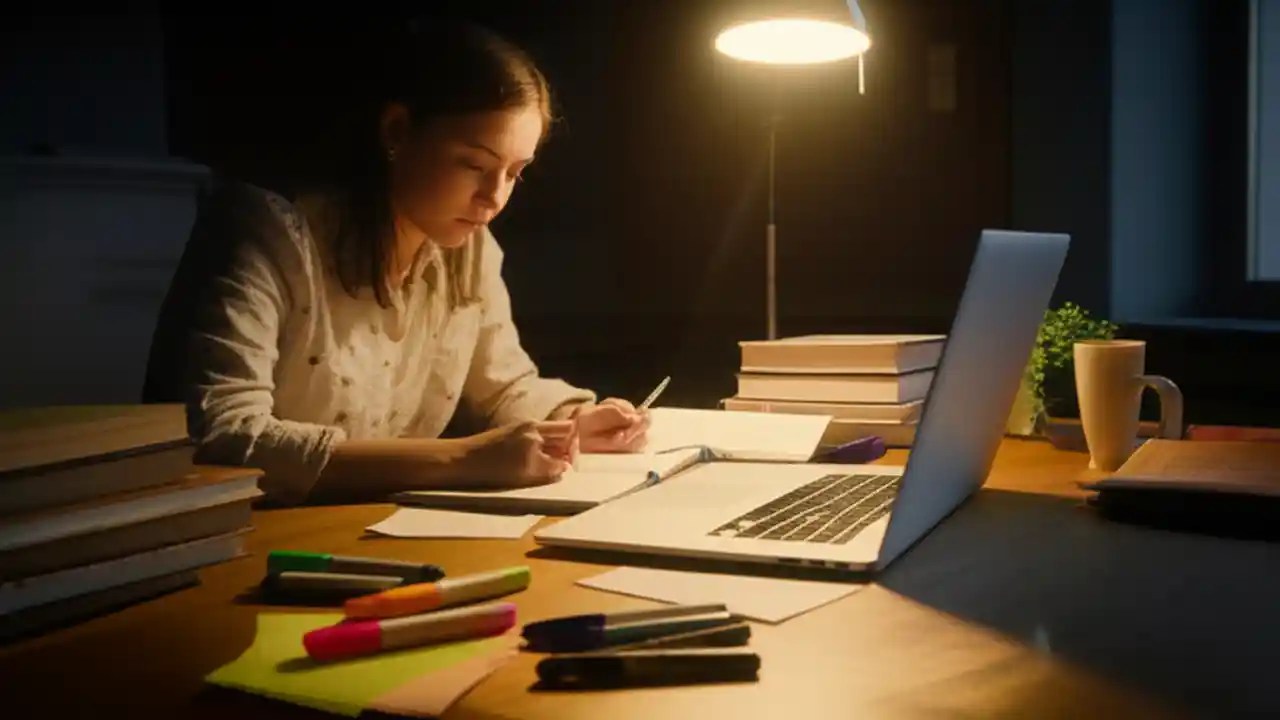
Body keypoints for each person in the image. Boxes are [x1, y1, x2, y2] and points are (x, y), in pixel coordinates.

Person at [145, 18, 649, 505]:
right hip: (232, 541)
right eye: (474, 164)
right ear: (397, 131)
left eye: (515, 173)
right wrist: (461, 459)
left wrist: (574, 420)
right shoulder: (268, 234)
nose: (493, 198)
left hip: (368, 526)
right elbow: (221, 436)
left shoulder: (467, 250)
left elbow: (503, 386)